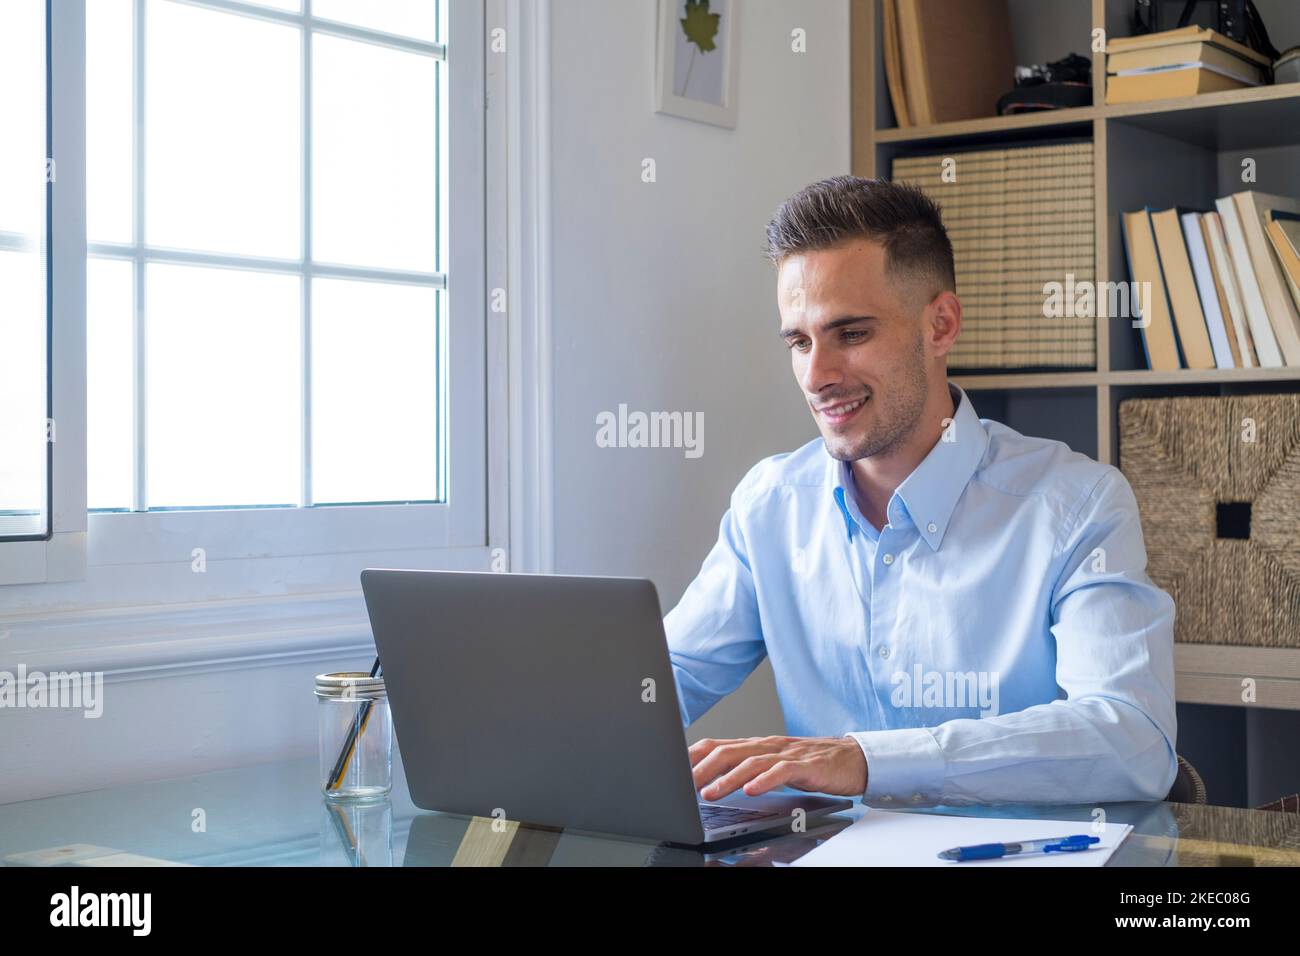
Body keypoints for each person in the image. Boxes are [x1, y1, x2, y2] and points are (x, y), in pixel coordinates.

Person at [667, 176, 1177, 807]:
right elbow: (666, 680)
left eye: (850, 334)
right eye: (800, 341)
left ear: (940, 325)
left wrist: (866, 761)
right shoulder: (770, 504)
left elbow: (1134, 739)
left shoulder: (1076, 505)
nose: (817, 376)